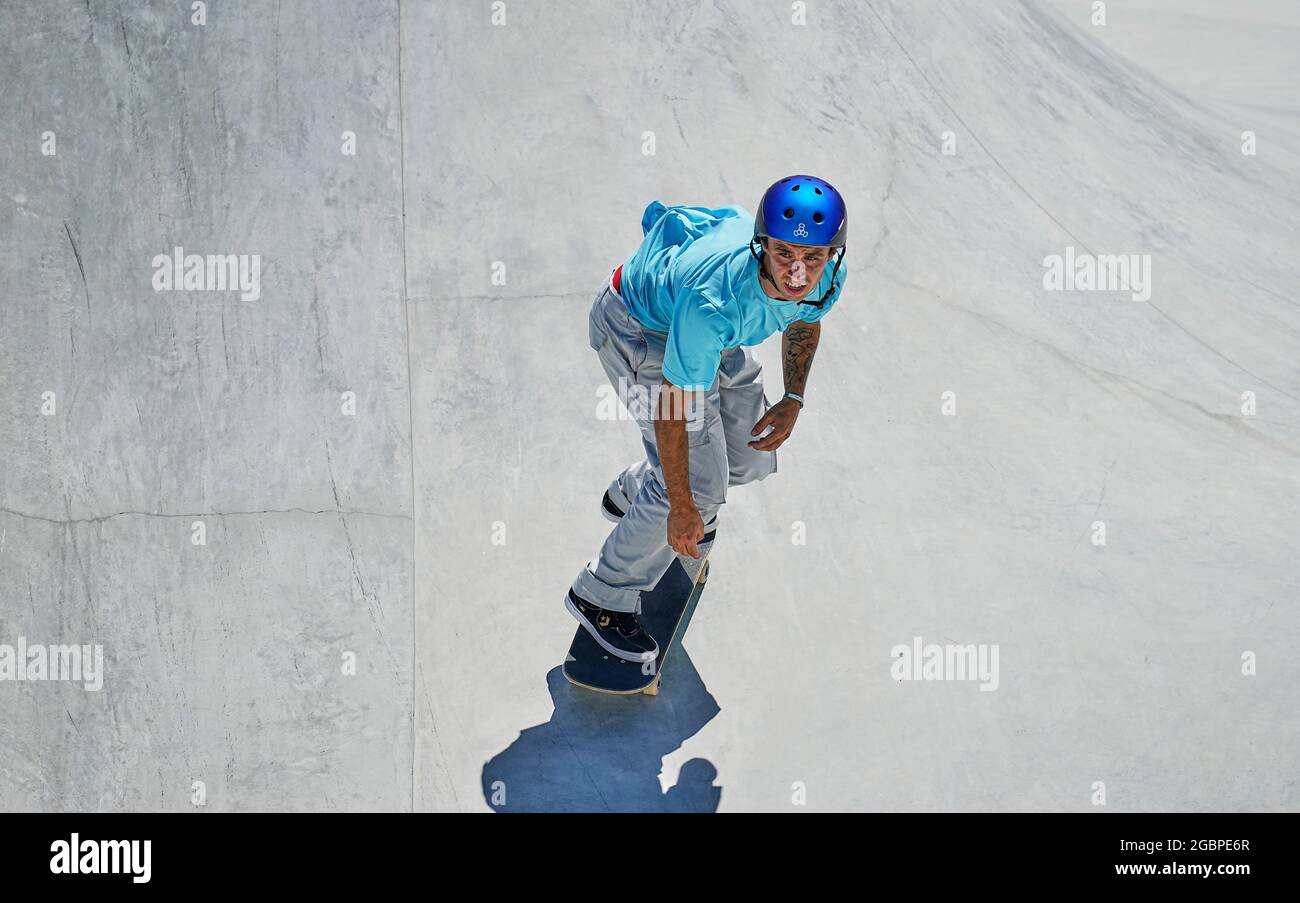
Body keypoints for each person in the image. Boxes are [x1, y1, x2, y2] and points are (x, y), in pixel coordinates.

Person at [566, 174, 849, 662]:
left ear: (832, 254)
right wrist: (681, 505)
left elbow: (806, 315)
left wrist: (793, 396)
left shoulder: (824, 274)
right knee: (697, 487)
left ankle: (640, 488)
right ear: (761, 246)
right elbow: (672, 410)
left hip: (709, 340)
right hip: (637, 329)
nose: (798, 275)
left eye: (813, 258)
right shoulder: (711, 303)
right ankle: (601, 596)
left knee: (748, 457)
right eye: (784, 255)